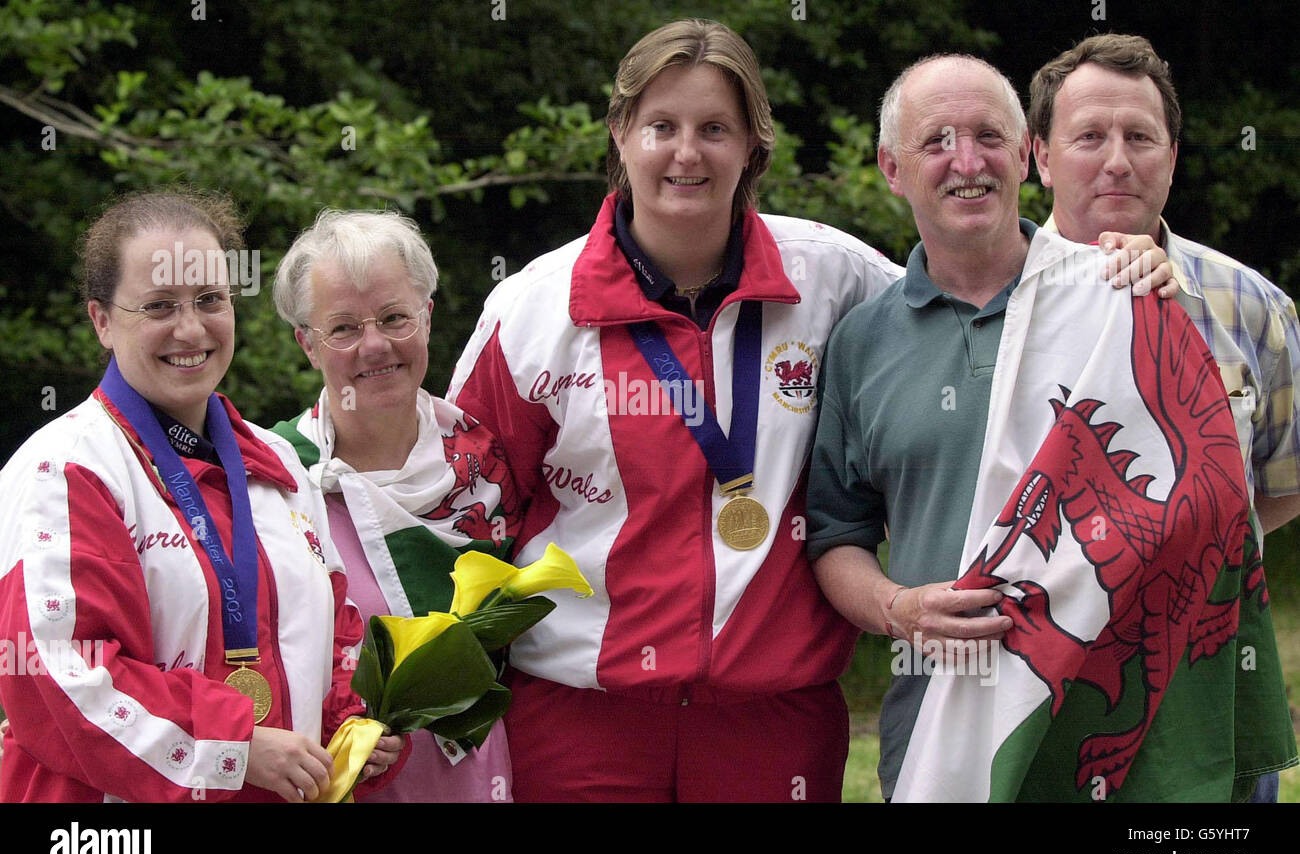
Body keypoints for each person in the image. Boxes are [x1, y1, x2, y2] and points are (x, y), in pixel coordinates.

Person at [448, 18, 905, 802]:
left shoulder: (841, 283)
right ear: (621, 133)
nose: (686, 153)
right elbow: (461, 508)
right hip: (580, 719)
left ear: (753, 147)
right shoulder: (533, 309)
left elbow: (969, 313)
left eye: (714, 129)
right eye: (661, 125)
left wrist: (1094, 263)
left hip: (775, 719)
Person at [808, 54, 1256, 801]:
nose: (967, 161)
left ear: (1025, 155)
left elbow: (1217, 502)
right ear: (891, 167)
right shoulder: (861, 341)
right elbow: (833, 535)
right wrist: (898, 609)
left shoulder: (1119, 296)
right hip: (940, 723)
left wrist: (1150, 285)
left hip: (1117, 731)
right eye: (937, 140)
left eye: (989, 135)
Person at [0, 189, 402, 802]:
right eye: (159, 305)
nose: (191, 328)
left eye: (210, 300)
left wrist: (352, 722)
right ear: (101, 320)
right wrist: (234, 746)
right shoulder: (66, 469)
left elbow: (338, 631)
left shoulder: (280, 464)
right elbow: (58, 674)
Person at [1028, 32, 1300, 800]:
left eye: (1140, 137)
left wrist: (1181, 553)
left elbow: (1283, 481)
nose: (1117, 159)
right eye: (1088, 136)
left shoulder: (1253, 306)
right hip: (1032, 683)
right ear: (1041, 157)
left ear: (1172, 156)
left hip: (1209, 686)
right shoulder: (989, 304)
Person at [271, 208, 517, 802]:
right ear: (307, 343)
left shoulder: (491, 465)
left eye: (394, 317)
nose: (375, 345)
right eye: (344, 328)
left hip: (476, 772)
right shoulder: (277, 480)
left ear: (428, 317)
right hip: (335, 779)